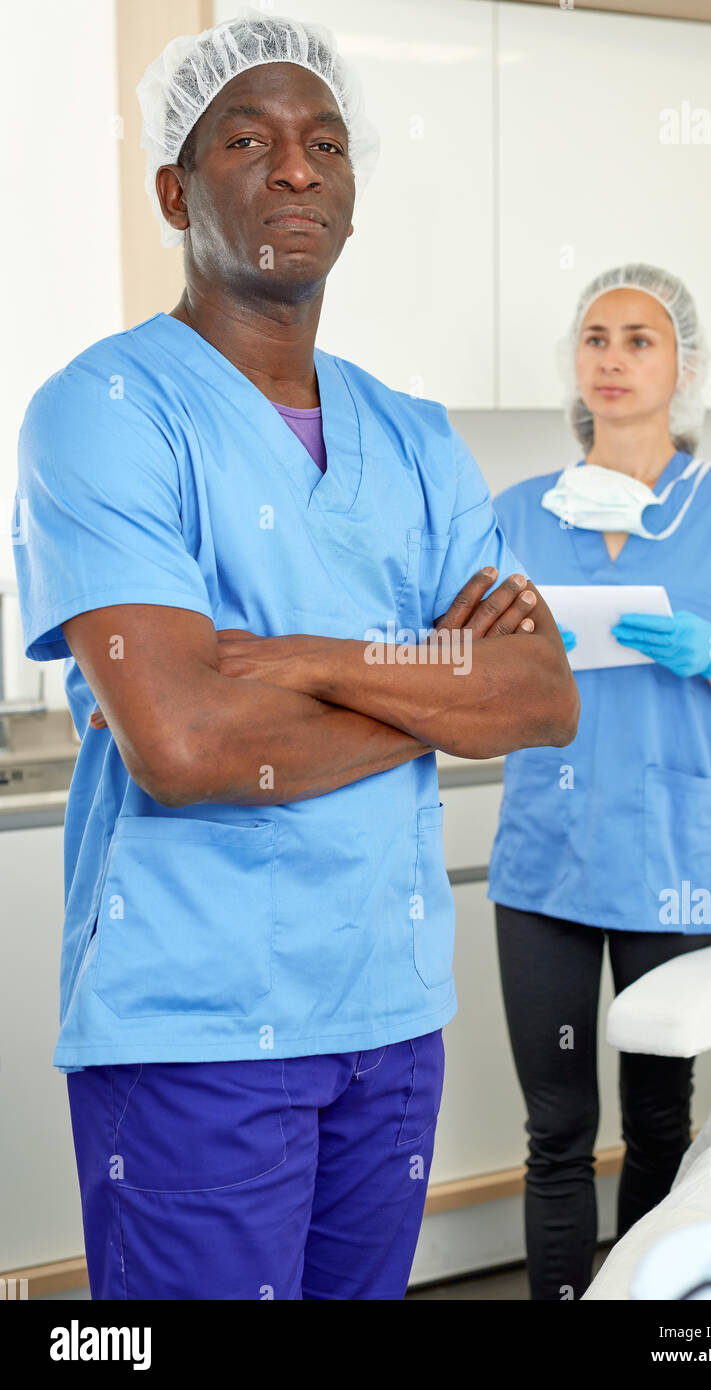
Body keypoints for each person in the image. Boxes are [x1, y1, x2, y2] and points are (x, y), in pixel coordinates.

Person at [12, 9, 578, 1301]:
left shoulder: (414, 434)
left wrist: (288, 659)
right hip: (196, 1027)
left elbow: (543, 694)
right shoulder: (102, 414)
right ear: (175, 185)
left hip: (388, 1015)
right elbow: (189, 744)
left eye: (325, 141)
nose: (299, 167)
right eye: (250, 138)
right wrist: (441, 693)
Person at [487, 262, 711, 1301]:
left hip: (667, 864)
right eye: (594, 339)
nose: (613, 359)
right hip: (541, 867)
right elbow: (472, 677)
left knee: (659, 1121)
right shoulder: (515, 514)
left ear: (683, 365)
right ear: (572, 367)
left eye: (639, 338)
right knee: (554, 1131)